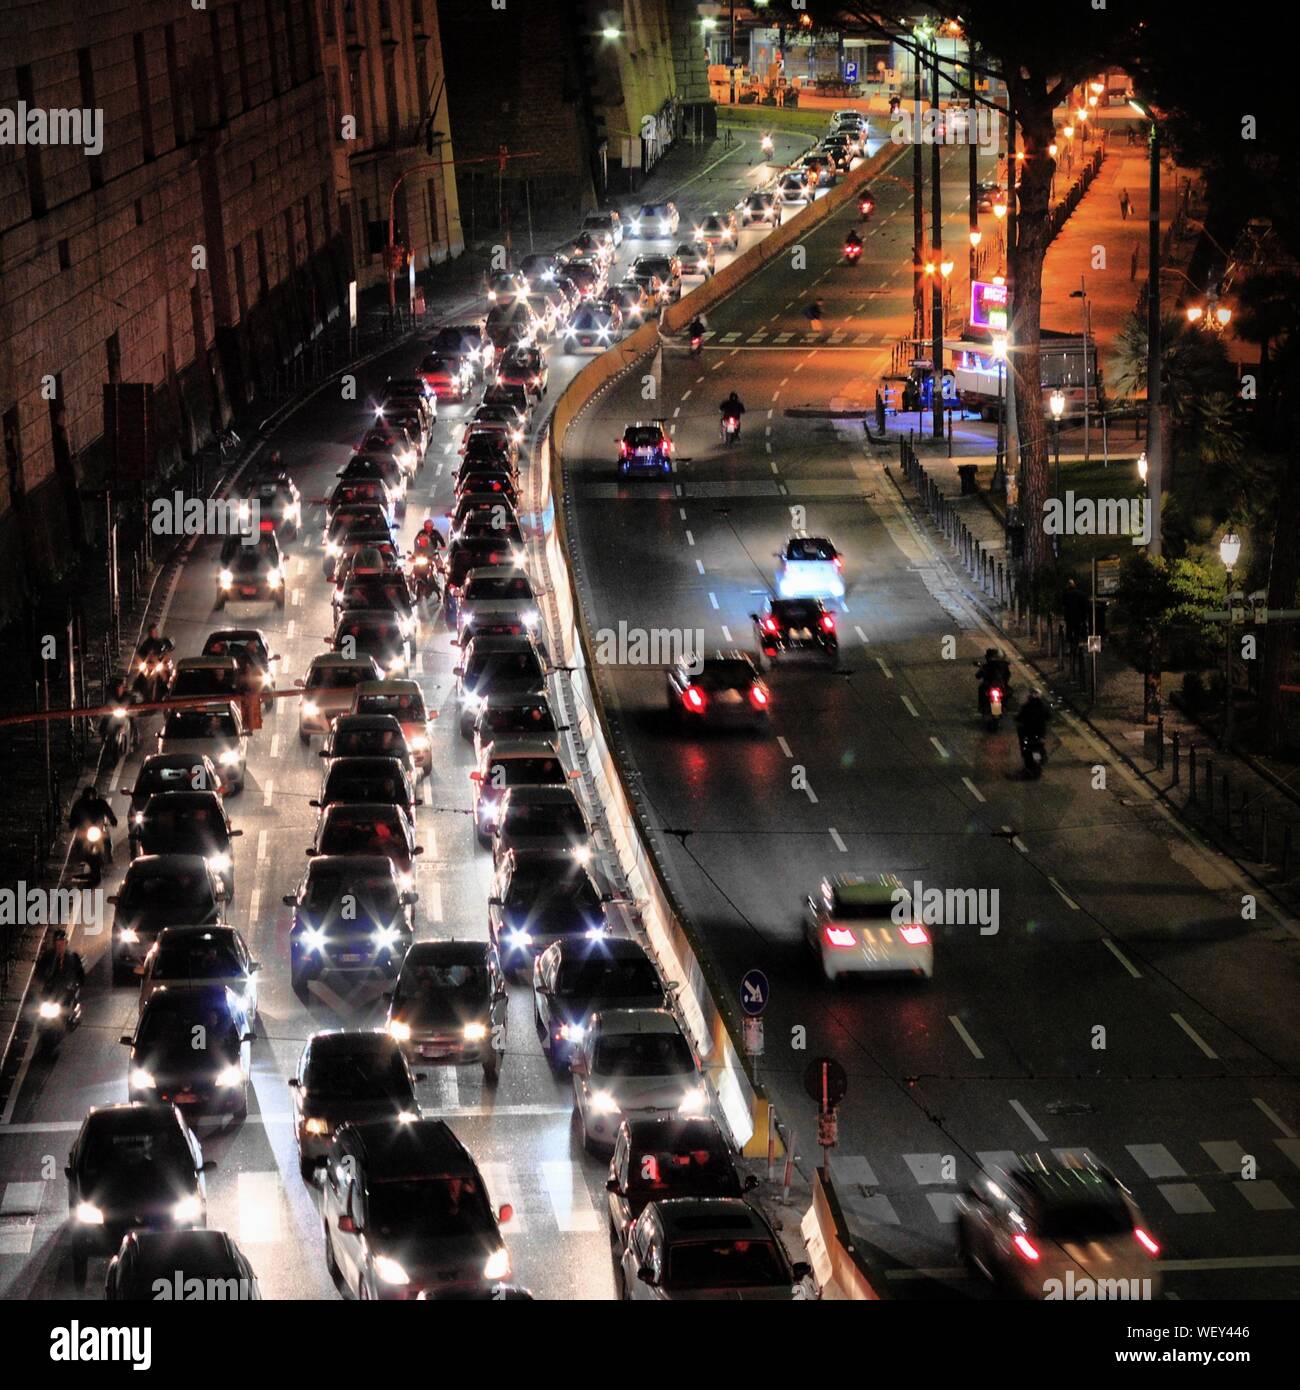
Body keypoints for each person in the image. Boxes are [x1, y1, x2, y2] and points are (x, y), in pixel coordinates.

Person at [36, 929, 85, 994]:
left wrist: (76, 984)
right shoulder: (48, 956)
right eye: (57, 942)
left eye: (62, 942)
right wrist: (43, 980)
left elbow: (80, 975)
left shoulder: (74, 957)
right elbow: (40, 971)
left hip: (66, 992)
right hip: (50, 991)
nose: (59, 945)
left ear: (66, 943)